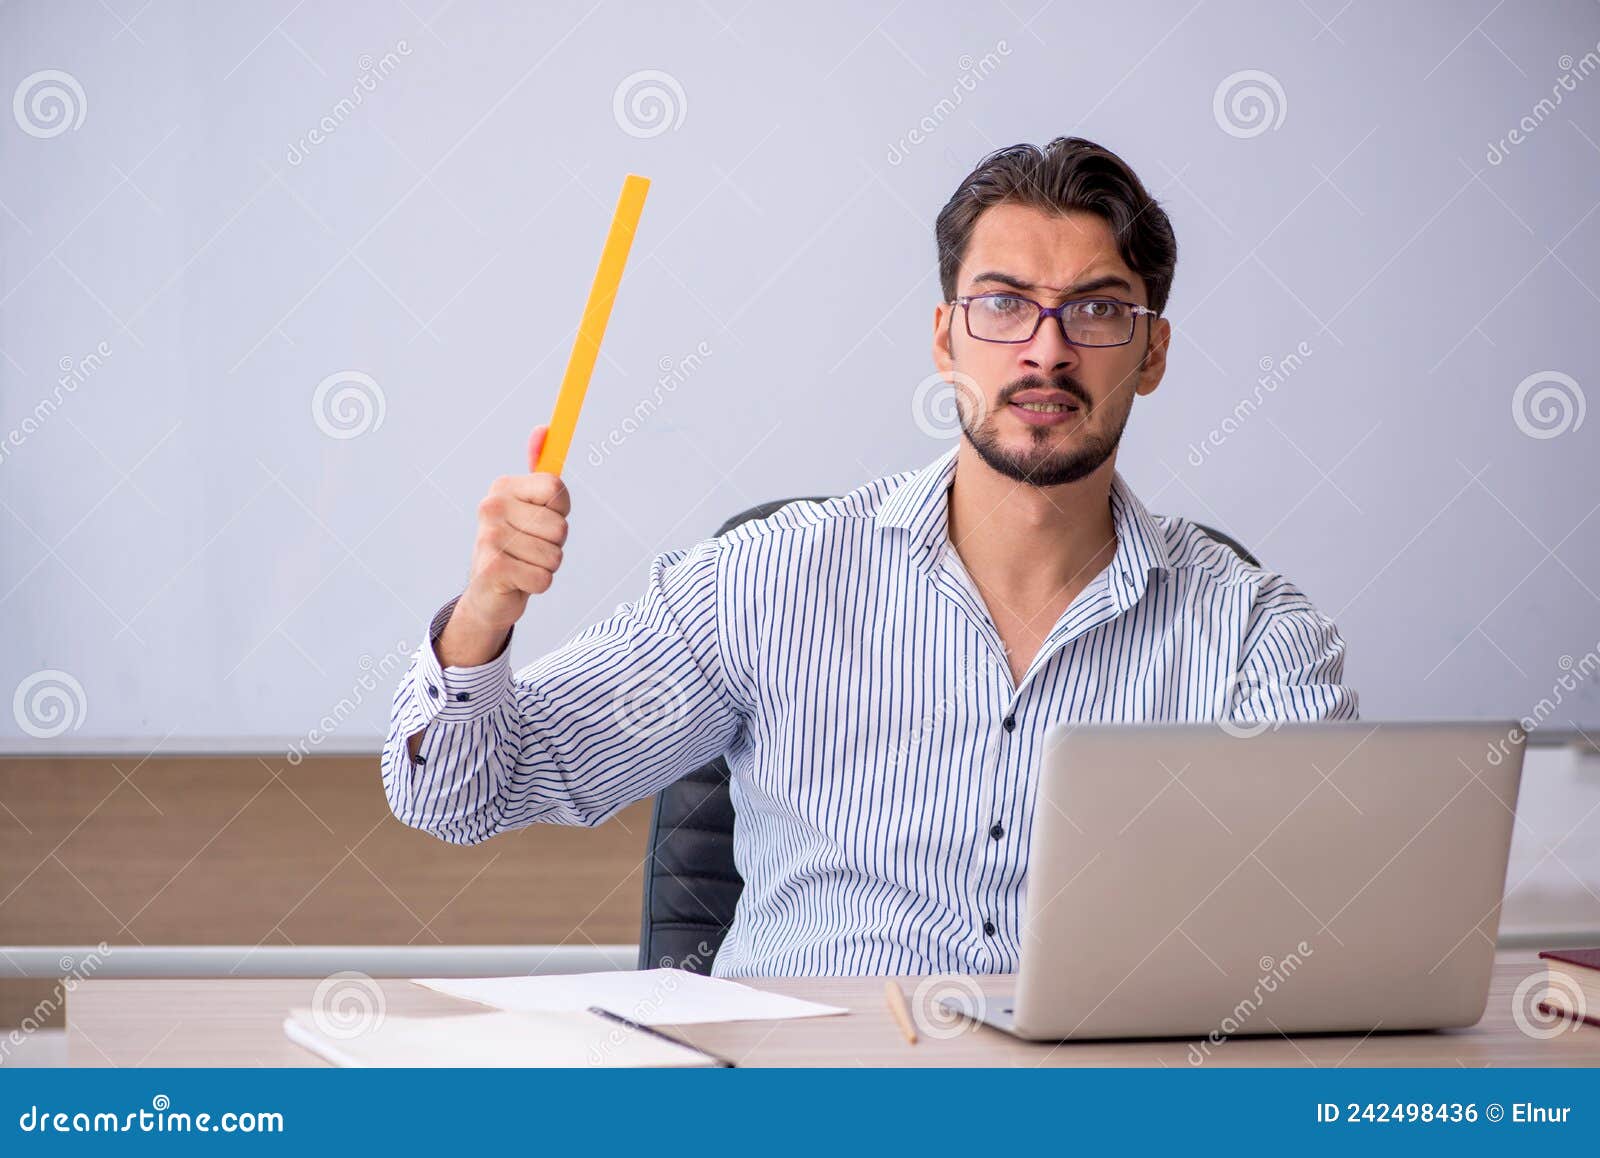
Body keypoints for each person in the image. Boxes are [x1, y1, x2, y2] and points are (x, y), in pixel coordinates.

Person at [381, 136, 1358, 978]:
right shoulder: (762, 581)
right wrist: (485, 616)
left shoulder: (1249, 635)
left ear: (1149, 354)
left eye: (1097, 311)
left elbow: (1332, 926)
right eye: (1003, 305)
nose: (1046, 351)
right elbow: (460, 795)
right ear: (946, 340)